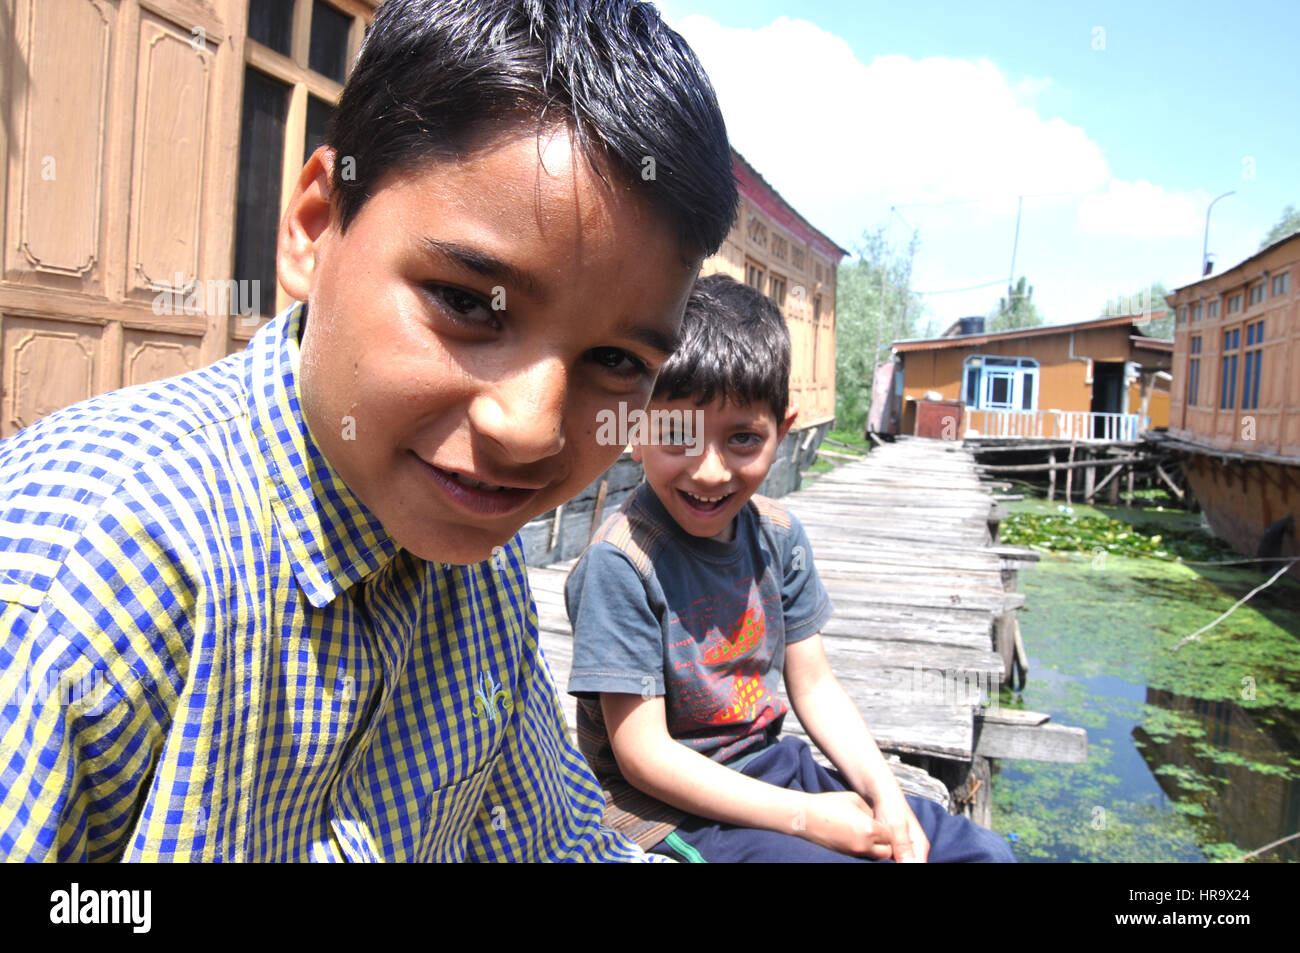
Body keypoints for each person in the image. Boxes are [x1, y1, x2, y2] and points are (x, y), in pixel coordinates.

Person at [0, 0, 737, 861]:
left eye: (616, 360)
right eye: (466, 304)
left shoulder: (476, 564)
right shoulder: (90, 572)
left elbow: (556, 840)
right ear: (315, 228)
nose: (530, 430)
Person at [565, 274, 1017, 862]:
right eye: (677, 435)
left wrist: (886, 796)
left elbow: (816, 684)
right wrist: (807, 820)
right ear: (635, 430)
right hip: (665, 809)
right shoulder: (621, 562)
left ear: (783, 428)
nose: (709, 471)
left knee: (976, 851)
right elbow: (643, 757)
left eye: (743, 439)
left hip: (771, 766)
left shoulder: (779, 536)